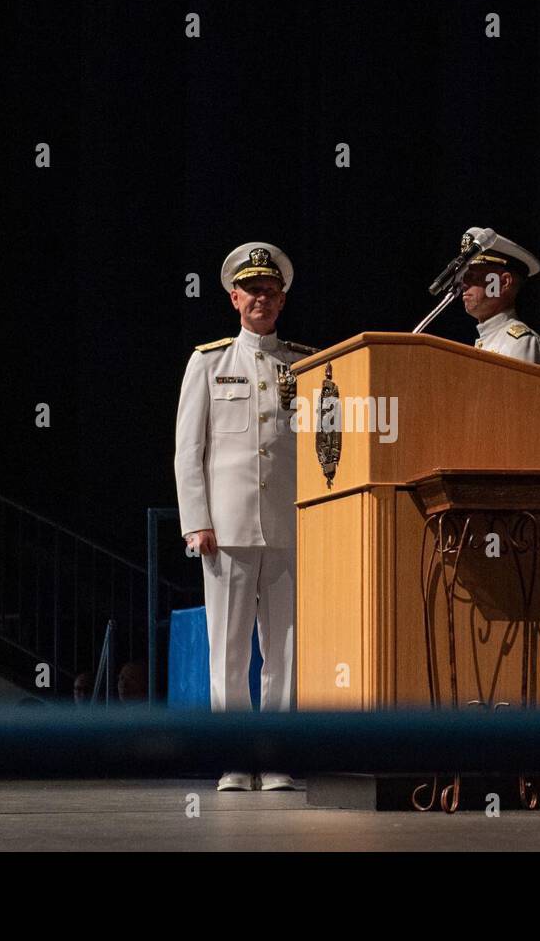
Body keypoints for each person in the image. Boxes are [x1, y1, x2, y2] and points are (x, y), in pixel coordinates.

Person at [174, 242, 316, 793]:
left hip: (289, 522)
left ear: (281, 299)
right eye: (252, 289)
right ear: (235, 298)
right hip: (226, 527)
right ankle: (234, 758)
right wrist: (196, 520)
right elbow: (190, 450)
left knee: (284, 647)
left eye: (270, 290)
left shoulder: (306, 362)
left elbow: (320, 447)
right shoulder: (209, 360)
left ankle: (276, 757)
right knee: (228, 649)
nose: (262, 297)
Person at [455, 228, 540, 365]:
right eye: (464, 277)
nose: (464, 284)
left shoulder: (521, 342)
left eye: (473, 276)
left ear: (504, 282)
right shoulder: (488, 338)